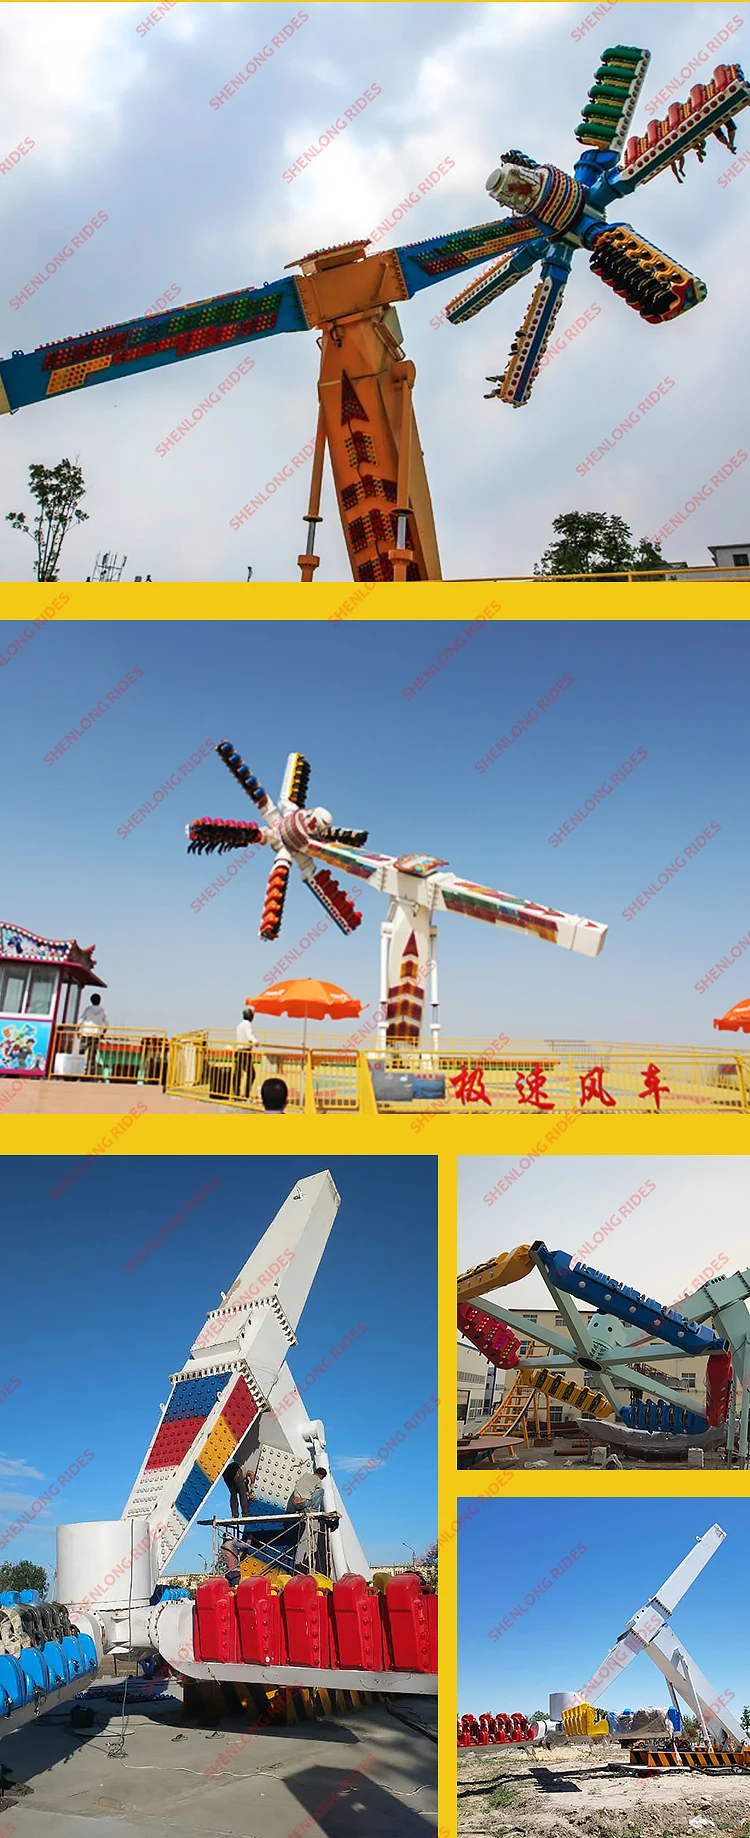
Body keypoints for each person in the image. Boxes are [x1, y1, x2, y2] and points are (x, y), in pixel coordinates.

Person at [78, 991, 108, 1074]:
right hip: (96, 1035)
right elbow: (106, 1024)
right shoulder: (102, 1011)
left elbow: (81, 1020)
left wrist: (77, 1030)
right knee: (92, 1055)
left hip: (86, 1033)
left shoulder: (88, 1009)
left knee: (81, 1054)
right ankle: (91, 1072)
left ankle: (80, 1070)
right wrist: (103, 1033)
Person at [233, 1006, 256, 1100]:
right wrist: (255, 1042)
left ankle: (236, 1093)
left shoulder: (239, 1025)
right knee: (251, 1074)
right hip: (245, 1052)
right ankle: (246, 1094)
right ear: (250, 1016)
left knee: (238, 1073)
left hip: (239, 1051)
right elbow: (249, 1035)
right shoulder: (247, 1024)